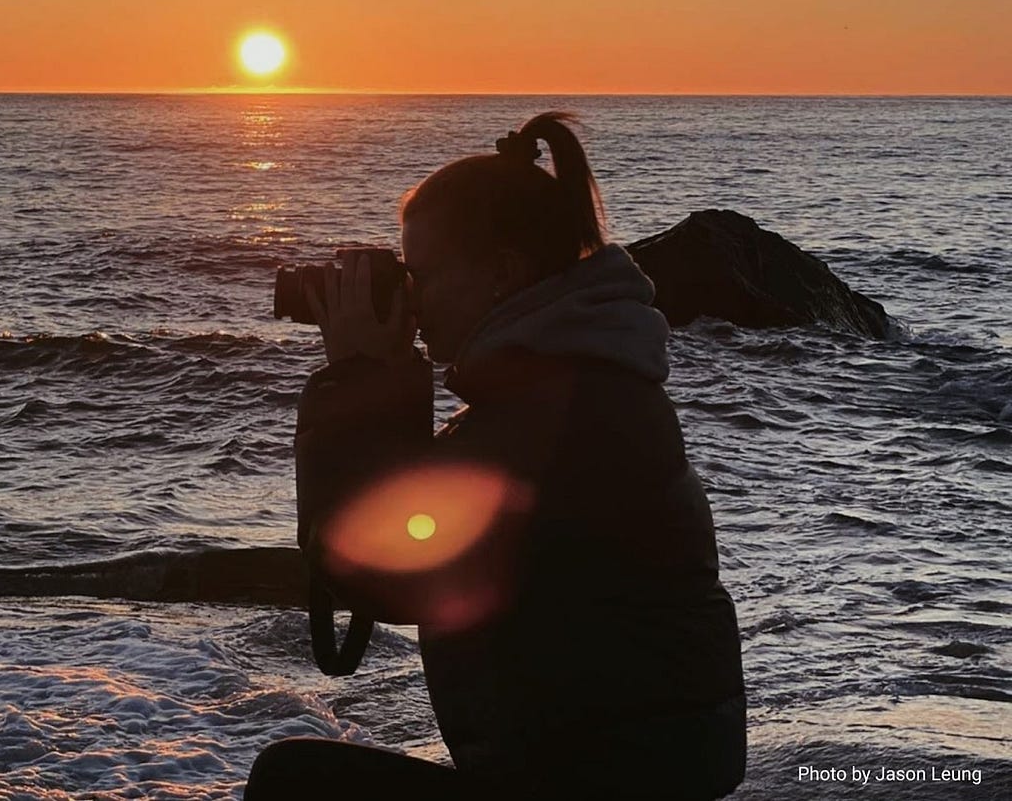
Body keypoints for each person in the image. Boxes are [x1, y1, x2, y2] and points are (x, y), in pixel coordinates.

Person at [244, 112, 746, 800]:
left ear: (502, 273)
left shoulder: (558, 413)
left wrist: (362, 375)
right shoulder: (573, 387)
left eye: (420, 274)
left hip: (597, 784)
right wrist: (382, 380)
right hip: (612, 772)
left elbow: (376, 570)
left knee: (294, 782)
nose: (411, 302)